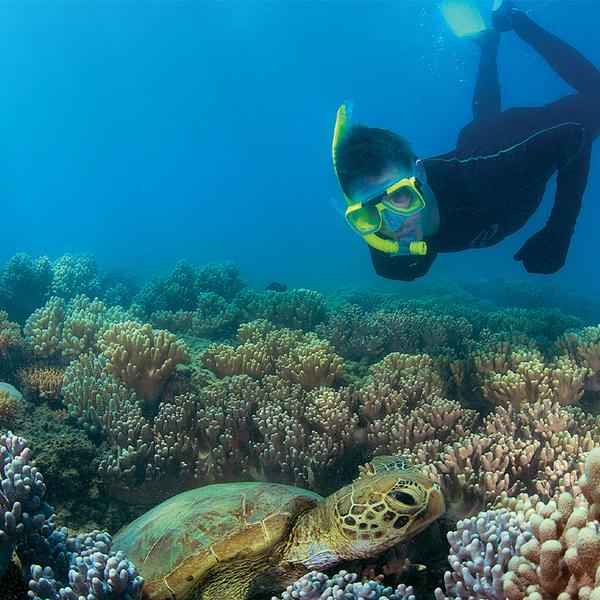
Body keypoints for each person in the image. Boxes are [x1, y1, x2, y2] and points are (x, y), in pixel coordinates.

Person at [332, 1, 600, 281]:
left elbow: (575, 134)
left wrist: (560, 230)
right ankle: (488, 44)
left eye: (400, 196)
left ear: (419, 173)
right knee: (482, 123)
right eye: (371, 212)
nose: (394, 224)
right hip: (474, 141)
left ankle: (514, 19)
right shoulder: (379, 231)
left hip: (511, 136)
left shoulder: (486, 176)